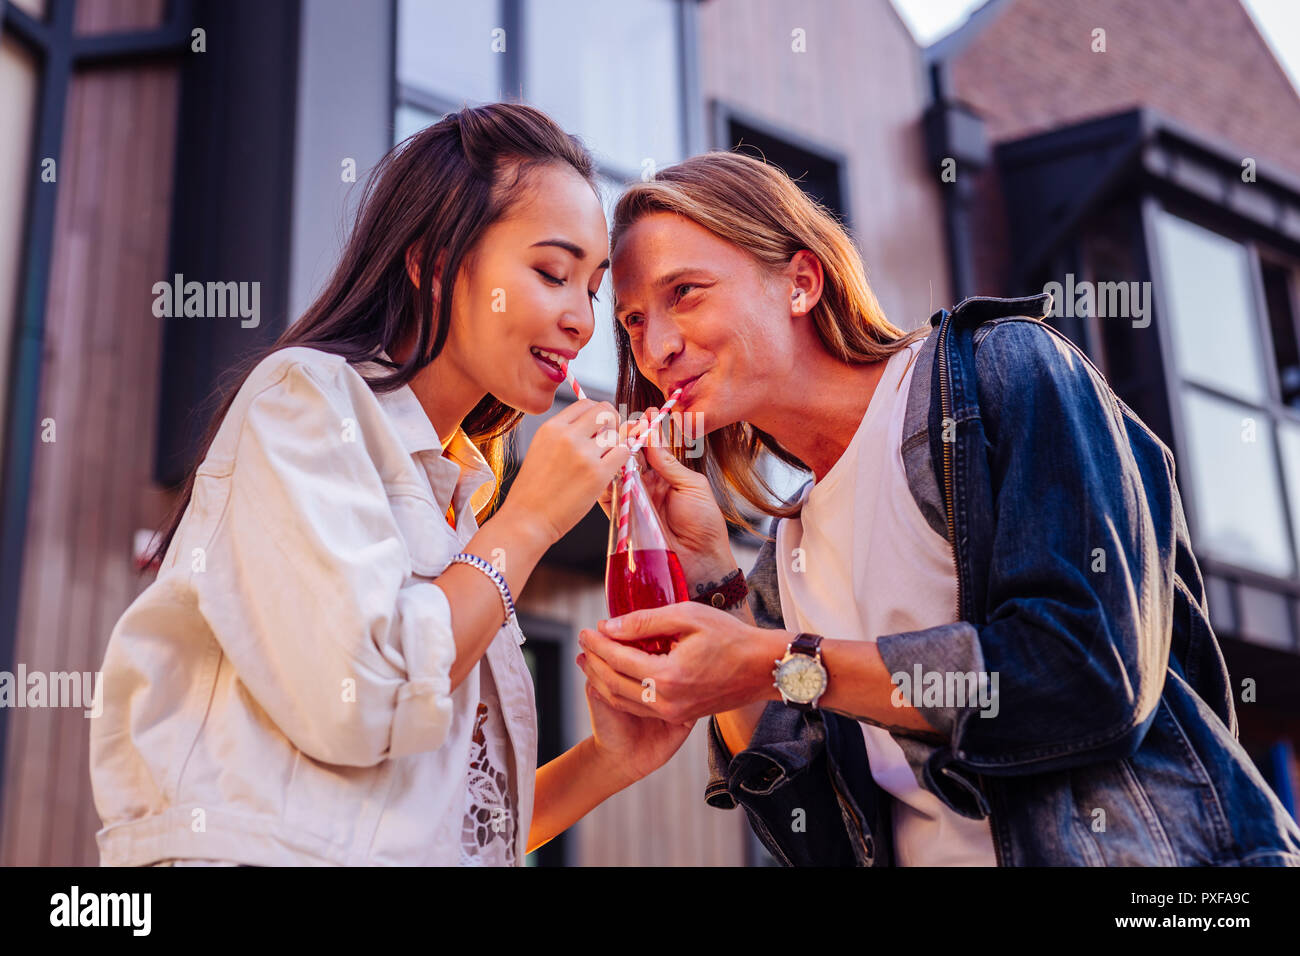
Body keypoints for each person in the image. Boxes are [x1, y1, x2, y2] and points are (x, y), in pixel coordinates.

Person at [578, 149, 1300, 866]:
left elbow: (1083, 671)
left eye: (686, 293)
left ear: (800, 283)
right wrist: (714, 577)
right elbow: (818, 836)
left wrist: (772, 660)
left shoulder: (1002, 374)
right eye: (635, 322)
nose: (658, 347)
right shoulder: (785, 557)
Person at [90, 103, 694, 867]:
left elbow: (437, 832)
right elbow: (362, 698)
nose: (580, 319)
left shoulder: (463, 502)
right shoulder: (305, 398)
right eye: (550, 273)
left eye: (593, 290)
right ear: (434, 262)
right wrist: (532, 521)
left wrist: (612, 760)